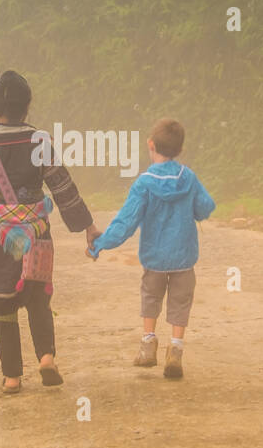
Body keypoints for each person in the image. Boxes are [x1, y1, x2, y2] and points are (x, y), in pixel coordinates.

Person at [0, 71, 101, 395]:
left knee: (4, 306)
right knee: (38, 298)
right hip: (35, 234)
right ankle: (46, 358)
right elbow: (63, 188)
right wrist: (88, 226)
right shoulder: (40, 141)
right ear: (28, 105)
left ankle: (12, 377)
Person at [87, 118, 215, 379]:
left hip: (154, 257)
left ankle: (148, 345)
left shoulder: (144, 183)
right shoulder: (189, 178)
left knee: (150, 296)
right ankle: (175, 349)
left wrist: (100, 243)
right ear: (180, 149)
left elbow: (126, 222)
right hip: (183, 257)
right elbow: (205, 207)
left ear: (151, 145)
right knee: (180, 301)